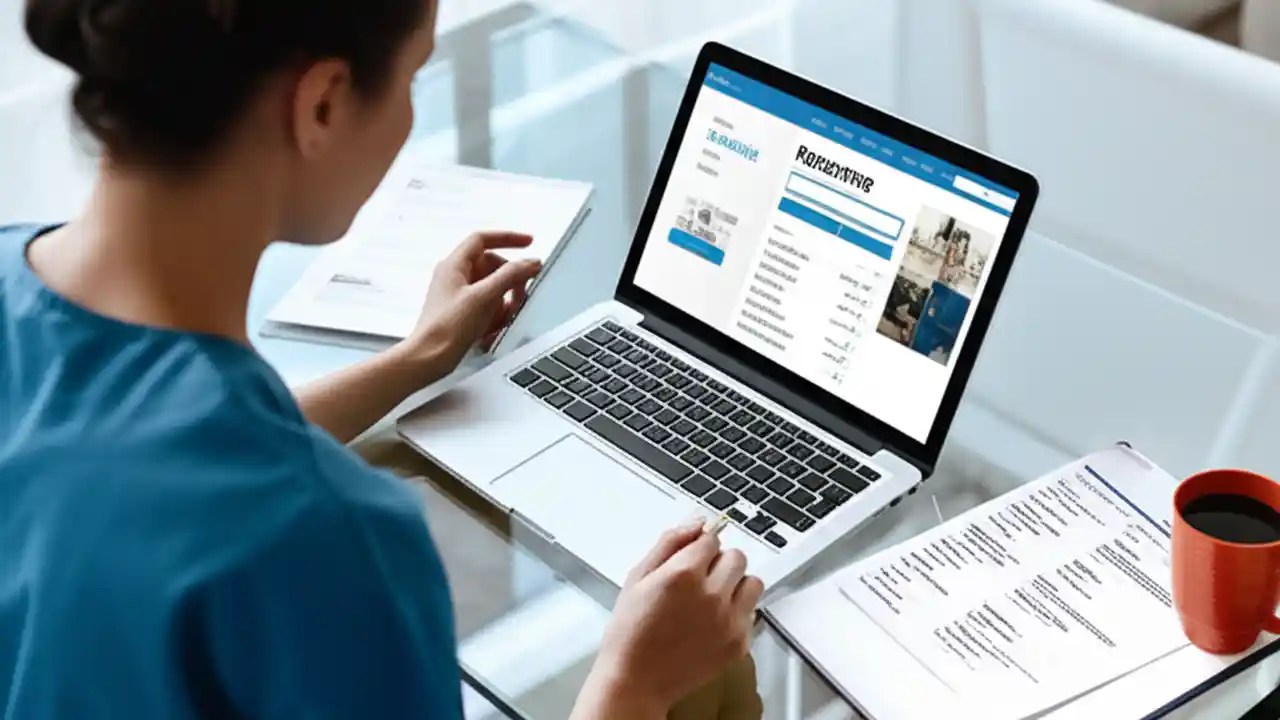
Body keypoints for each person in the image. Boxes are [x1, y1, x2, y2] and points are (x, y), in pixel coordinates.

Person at [0, 0, 763, 717]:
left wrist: (417, 360)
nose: (408, 115)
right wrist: (629, 683)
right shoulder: (330, 542)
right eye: (412, 78)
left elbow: (138, 450)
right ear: (323, 103)